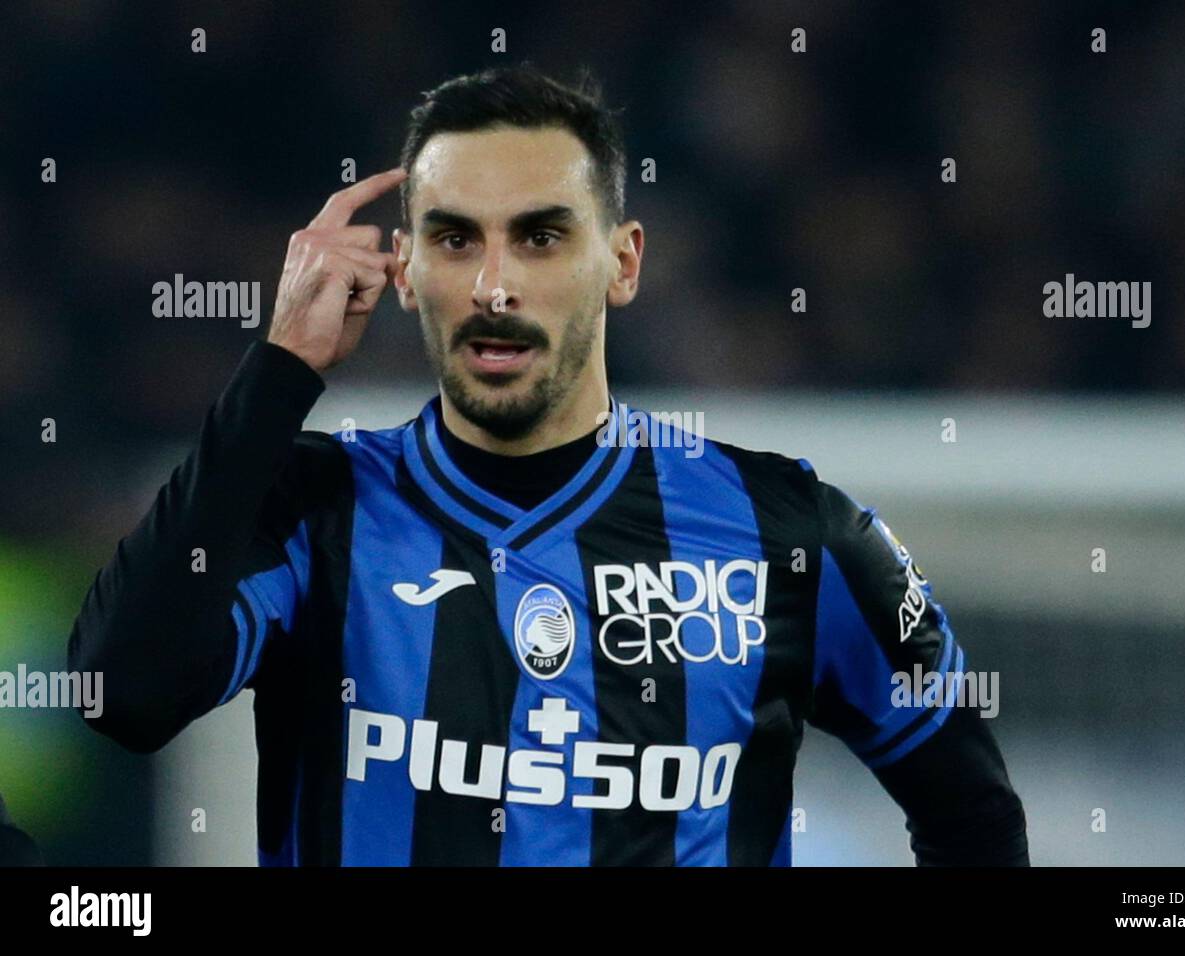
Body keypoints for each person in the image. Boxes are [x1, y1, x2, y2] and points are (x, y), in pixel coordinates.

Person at [68, 64, 1027, 866]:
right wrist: (277, 374)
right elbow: (119, 696)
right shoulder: (313, 508)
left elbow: (973, 817)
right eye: (453, 238)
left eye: (540, 235)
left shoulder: (790, 531)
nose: (493, 286)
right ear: (403, 272)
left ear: (624, 261)